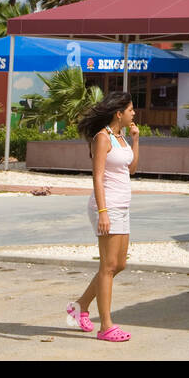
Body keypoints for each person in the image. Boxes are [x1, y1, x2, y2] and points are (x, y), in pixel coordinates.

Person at [65, 91, 139, 341]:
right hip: (106, 207)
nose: (134, 114)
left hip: (123, 206)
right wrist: (103, 212)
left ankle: (80, 306)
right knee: (107, 267)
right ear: (119, 113)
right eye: (130, 110)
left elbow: (132, 169)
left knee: (119, 264)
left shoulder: (121, 138)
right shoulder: (102, 138)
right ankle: (106, 326)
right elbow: (97, 177)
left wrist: (136, 140)